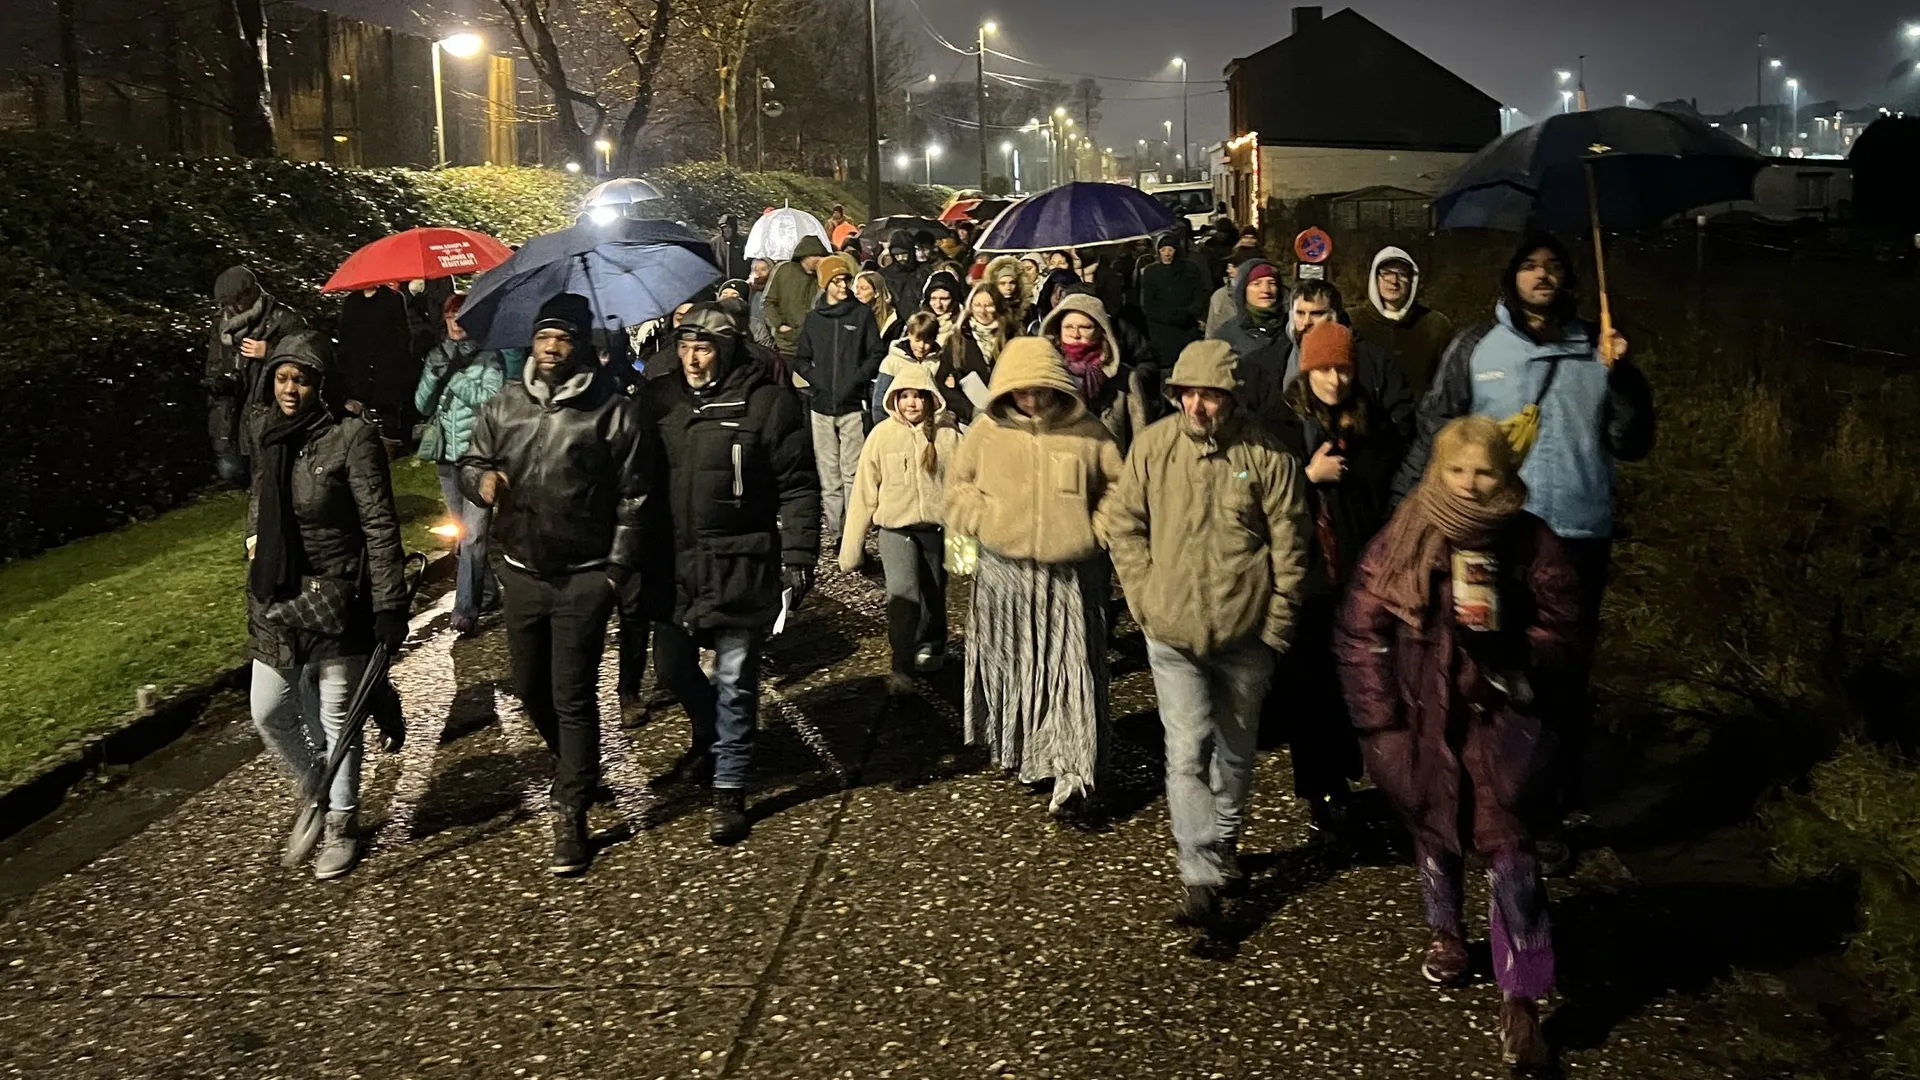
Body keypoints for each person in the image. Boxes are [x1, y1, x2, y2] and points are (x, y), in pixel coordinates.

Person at [1392, 233, 1655, 869]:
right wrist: (1405, 516)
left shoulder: (1598, 347)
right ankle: (1484, 804)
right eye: (1530, 267)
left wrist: (1624, 378)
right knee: (1483, 671)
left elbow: (1633, 440)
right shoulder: (1475, 347)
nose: (1542, 277)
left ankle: (1544, 814)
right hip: (1490, 541)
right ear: (1510, 278)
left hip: (1576, 539)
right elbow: (1437, 430)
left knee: (1559, 679)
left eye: (1554, 267)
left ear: (1569, 280)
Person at [1336, 415, 1582, 1070]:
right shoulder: (1405, 535)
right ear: (1437, 472)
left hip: (1500, 725)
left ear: (1506, 479)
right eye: (1457, 471)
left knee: (1514, 859)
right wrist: (1379, 724)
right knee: (1435, 835)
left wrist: (1514, 646)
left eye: (1485, 473)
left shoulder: (1532, 544)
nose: (1471, 486)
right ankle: (1447, 932)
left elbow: (1566, 635)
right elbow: (1361, 634)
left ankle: (1522, 994)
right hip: (1421, 723)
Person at [1104, 339, 1309, 926]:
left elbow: (1291, 551)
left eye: (1211, 394)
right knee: (1186, 748)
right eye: (1188, 393)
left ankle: (1221, 843)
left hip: (1246, 635)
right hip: (1171, 633)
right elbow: (1125, 527)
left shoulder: (1269, 457)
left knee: (1237, 754)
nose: (1198, 405)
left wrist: (1275, 631)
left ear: (1232, 397)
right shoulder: (1152, 448)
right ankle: (1197, 867)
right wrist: (1144, 599)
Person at [458, 293, 656, 876]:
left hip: (584, 576)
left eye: (564, 338)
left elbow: (635, 495)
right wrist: (480, 482)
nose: (551, 347)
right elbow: (472, 460)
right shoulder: (505, 404)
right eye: (545, 336)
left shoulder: (611, 410)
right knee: (529, 689)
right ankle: (581, 767)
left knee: (571, 693)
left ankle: (570, 805)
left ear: (582, 346)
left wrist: (614, 573)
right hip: (521, 572)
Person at [646, 304, 820, 846]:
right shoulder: (659, 400)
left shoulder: (766, 403)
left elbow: (797, 483)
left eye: (703, 348)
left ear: (726, 348)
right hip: (675, 561)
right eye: (684, 346)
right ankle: (709, 734)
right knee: (672, 666)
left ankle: (730, 785)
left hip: (741, 558)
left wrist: (797, 557)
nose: (692, 359)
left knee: (736, 681)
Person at [244, 332, 408, 880]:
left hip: (338, 596)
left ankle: (343, 821)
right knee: (267, 710)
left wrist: (390, 605)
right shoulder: (267, 430)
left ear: (322, 384)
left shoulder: (351, 437)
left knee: (337, 717)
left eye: (303, 379)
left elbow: (380, 525)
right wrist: (253, 540)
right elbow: (258, 495)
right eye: (283, 378)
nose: (291, 389)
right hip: (278, 591)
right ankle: (319, 778)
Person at [945, 338, 1124, 821]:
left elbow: (1120, 490)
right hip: (1004, 576)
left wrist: (1095, 529)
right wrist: (984, 517)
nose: (1031, 397)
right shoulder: (985, 431)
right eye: (1021, 389)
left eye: (1039, 388)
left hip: (1068, 578)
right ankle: (1031, 754)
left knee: (1070, 674)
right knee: (1018, 669)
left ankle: (1073, 773)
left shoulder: (1091, 433)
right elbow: (957, 485)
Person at [1266, 320, 1407, 838]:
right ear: (1306, 368)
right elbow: (1256, 490)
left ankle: (1353, 773)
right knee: (1309, 682)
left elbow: (1386, 488)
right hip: (1302, 570)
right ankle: (1321, 788)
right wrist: (1308, 479)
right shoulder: (1282, 421)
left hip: (1357, 567)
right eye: (1323, 367)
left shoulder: (1373, 423)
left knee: (1357, 677)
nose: (1333, 378)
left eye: (1342, 367)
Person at [840, 362, 960, 694]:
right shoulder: (882, 435)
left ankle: (933, 644)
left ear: (930, 398)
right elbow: (864, 492)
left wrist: (967, 549)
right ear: (894, 399)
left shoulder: (949, 435)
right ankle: (902, 666)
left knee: (934, 595)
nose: (911, 403)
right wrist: (852, 548)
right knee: (903, 596)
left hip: (937, 531)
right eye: (904, 396)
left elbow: (964, 491)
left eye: (918, 396)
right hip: (896, 531)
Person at [414, 294, 507, 636]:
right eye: (450, 315)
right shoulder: (437, 356)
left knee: (473, 536)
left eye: (461, 315)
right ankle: (487, 591)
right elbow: (422, 404)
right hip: (445, 459)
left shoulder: (488, 357)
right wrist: (436, 373)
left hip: (478, 459)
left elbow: (491, 399)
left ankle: (465, 609)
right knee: (463, 537)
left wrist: (456, 377)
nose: (455, 322)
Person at [791, 253, 885, 550]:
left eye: (845, 279)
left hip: (851, 406)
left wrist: (855, 379)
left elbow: (876, 353)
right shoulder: (814, 320)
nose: (843, 285)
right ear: (825, 284)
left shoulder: (861, 316)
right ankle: (838, 533)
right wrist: (817, 381)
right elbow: (801, 359)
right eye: (837, 280)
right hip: (821, 407)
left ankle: (855, 534)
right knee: (829, 474)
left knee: (853, 473)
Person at [207, 265, 307, 487]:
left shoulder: (284, 319)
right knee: (231, 468)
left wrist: (269, 353)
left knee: (268, 470)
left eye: (236, 300)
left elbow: (307, 360)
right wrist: (217, 383)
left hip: (268, 406)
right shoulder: (220, 323)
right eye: (226, 303)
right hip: (231, 408)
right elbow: (214, 362)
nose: (232, 307)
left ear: (251, 293)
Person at [1040, 293, 1149, 456]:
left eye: (1085, 327)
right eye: (1068, 327)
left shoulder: (1124, 377)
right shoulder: (1047, 374)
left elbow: (1141, 437)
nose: (1075, 334)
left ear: (1101, 330)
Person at [1350, 246, 1456, 395]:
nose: (1394, 281)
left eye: (1402, 274)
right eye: (1387, 273)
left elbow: (1449, 381)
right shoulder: (1353, 321)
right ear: (1375, 278)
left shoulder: (1436, 325)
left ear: (1412, 280)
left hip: (1420, 415)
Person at [335, 285, 424, 444]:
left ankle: (391, 446)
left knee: (388, 414)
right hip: (358, 370)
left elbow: (402, 335)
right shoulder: (352, 302)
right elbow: (345, 338)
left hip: (387, 369)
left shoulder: (393, 298)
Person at [1138, 230, 1210, 366]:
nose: (1166, 253)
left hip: (1187, 327)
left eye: (1170, 249)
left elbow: (1200, 293)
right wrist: (1167, 317)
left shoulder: (1190, 269)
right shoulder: (1151, 272)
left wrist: (1189, 313)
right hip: (1161, 330)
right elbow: (1147, 304)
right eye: (1163, 249)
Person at [874, 312, 954, 425]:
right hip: (898, 425)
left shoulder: (939, 363)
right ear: (909, 335)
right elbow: (879, 403)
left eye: (927, 341)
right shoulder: (892, 362)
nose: (921, 346)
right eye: (917, 340)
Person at [1209, 258, 1288, 363]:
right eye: (1256, 284)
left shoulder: (1292, 329)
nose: (1266, 290)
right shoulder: (1226, 335)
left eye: (1272, 283)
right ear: (1243, 289)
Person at [764, 235, 829, 357]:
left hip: (815, 346)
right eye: (815, 256)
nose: (819, 259)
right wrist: (779, 325)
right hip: (787, 345)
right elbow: (768, 301)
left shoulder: (823, 276)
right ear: (804, 255)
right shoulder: (784, 270)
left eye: (821, 256)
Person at [1206, 251, 1260, 338]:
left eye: (1235, 265)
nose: (1229, 270)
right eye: (1229, 265)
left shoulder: (1265, 295)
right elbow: (1211, 330)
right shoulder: (1220, 296)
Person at [881, 230, 931, 311]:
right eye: (896, 254)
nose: (900, 258)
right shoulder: (884, 274)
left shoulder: (924, 271)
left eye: (904, 253)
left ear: (911, 252)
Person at [985, 255, 1033, 330]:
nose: (1008, 288)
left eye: (1012, 283)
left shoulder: (1027, 308)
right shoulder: (989, 308)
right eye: (1002, 283)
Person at [854, 270, 901, 344]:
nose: (857, 293)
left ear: (876, 293)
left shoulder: (894, 322)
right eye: (857, 288)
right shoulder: (854, 313)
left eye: (863, 288)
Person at [713, 215, 751, 282]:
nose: (726, 230)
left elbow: (749, 262)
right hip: (720, 282)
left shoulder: (744, 242)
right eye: (724, 228)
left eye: (729, 227)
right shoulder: (715, 243)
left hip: (740, 281)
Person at [748, 258, 776, 349]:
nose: (759, 273)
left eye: (763, 269)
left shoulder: (776, 289)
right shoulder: (748, 289)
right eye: (756, 270)